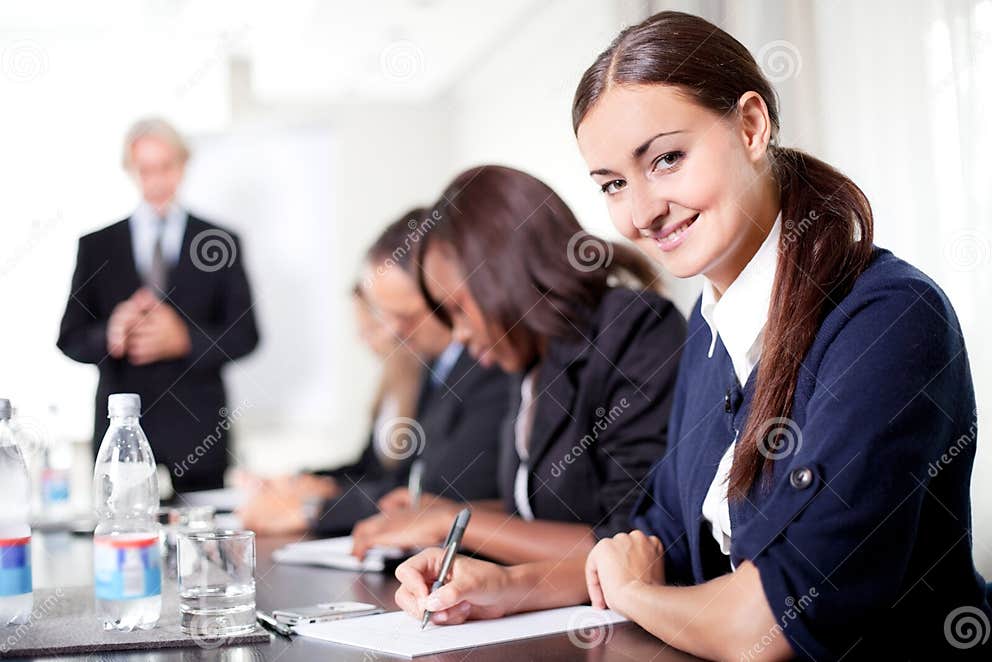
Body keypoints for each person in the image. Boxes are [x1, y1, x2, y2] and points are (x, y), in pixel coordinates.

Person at [392, 11, 991, 660]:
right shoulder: (713, 325)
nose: (642, 212)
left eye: (667, 159)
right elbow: (659, 542)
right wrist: (505, 588)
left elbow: (769, 622)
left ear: (751, 126)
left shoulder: (888, 320)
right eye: (614, 185)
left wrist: (634, 594)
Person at [351, 166, 685, 564]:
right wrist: (445, 513)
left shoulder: (632, 328)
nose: (458, 335)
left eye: (458, 309)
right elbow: (537, 513)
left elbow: (631, 540)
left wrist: (453, 523)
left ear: (504, 277)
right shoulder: (530, 360)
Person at [239, 210, 511, 535]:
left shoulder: (489, 365)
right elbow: (382, 474)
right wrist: (306, 484)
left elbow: (442, 493)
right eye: (385, 315)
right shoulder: (430, 367)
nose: (394, 331)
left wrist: (317, 508)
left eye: (406, 316)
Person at [57, 117, 259, 492]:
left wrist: (185, 340)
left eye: (166, 167)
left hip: (199, 436)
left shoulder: (220, 241)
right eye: (144, 169)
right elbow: (69, 338)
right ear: (129, 170)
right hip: (122, 439)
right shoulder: (96, 246)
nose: (156, 181)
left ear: (183, 164)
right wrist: (110, 335)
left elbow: (246, 335)